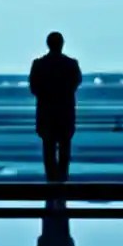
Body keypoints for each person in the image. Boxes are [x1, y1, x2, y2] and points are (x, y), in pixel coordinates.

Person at [28, 32, 83, 183]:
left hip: (46, 115)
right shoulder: (71, 64)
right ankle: (62, 183)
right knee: (65, 152)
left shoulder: (39, 64)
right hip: (65, 114)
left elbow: (34, 88)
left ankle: (52, 185)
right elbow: (76, 83)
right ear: (62, 44)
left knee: (48, 152)